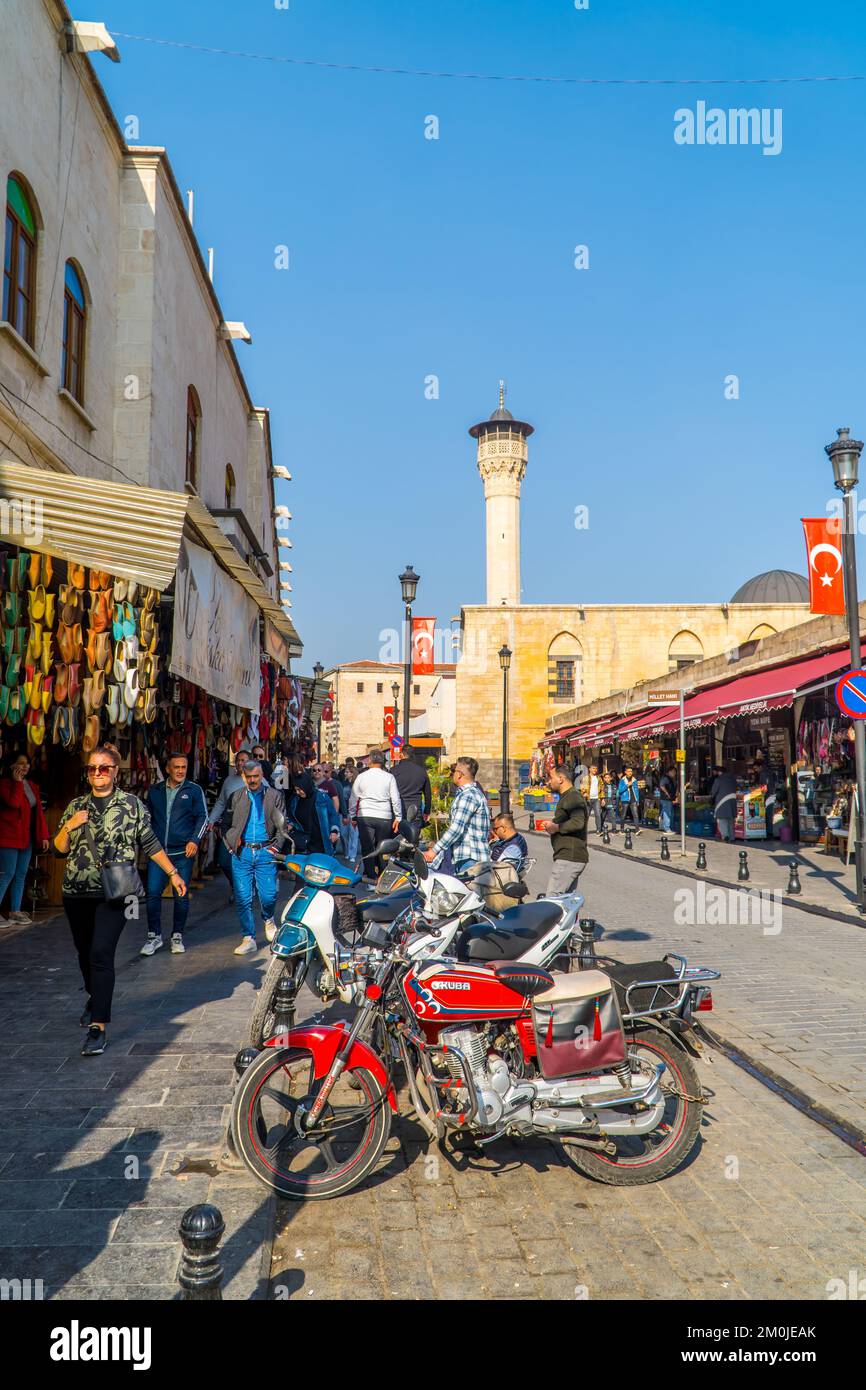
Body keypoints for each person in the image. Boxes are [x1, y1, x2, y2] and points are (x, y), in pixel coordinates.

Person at [54, 743, 187, 1056]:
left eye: (103, 768)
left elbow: (151, 843)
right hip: (76, 892)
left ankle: (98, 1026)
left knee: (101, 953)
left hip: (118, 894)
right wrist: (70, 826)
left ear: (114, 771)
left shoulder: (131, 805)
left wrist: (173, 874)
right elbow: (59, 848)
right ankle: (94, 994)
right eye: (91, 768)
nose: (97, 773)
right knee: (84, 952)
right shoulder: (76, 806)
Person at [142, 752, 209, 956]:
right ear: (168, 769)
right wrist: (147, 841)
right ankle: (154, 935)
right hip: (158, 853)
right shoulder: (155, 791)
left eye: (183, 767)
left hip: (183, 852)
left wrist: (194, 840)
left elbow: (203, 818)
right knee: (153, 893)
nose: (180, 771)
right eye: (176, 767)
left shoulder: (194, 790)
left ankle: (177, 934)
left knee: (181, 895)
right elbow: (146, 818)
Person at [223, 759, 288, 953]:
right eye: (249, 777)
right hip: (242, 854)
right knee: (243, 898)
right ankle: (248, 937)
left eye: (256, 776)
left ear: (262, 776)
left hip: (265, 851)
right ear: (243, 777)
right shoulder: (236, 797)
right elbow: (225, 824)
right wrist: (231, 845)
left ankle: (268, 919)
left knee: (268, 895)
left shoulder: (274, 796)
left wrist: (275, 847)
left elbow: (282, 825)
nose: (252, 780)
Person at [0, 752, 49, 925]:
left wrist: (44, 835)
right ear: (11, 766)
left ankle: (15, 911)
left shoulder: (32, 785)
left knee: (21, 874)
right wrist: (17, 782)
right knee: (7, 873)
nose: (25, 766)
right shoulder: (4, 784)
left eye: (27, 763)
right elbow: (13, 803)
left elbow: (39, 814)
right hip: (8, 836)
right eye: (20, 763)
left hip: (27, 837)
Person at [424, 756, 491, 875]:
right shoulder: (471, 793)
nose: (453, 774)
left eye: (454, 771)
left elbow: (456, 829)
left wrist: (434, 851)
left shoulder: (468, 796)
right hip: (469, 856)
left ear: (459, 774)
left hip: (470, 857)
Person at [349, 750, 402, 876]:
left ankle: (371, 876)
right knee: (383, 847)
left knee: (367, 847)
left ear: (370, 761)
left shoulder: (362, 777)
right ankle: (382, 875)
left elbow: (353, 798)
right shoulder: (389, 777)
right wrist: (398, 817)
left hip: (365, 814)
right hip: (384, 816)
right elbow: (395, 798)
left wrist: (352, 815)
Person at [539, 765, 589, 895]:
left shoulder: (573, 796)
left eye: (550, 777)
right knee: (565, 902)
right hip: (568, 856)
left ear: (561, 778)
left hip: (569, 857)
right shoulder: (567, 796)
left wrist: (556, 827)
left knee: (552, 899)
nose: (548, 781)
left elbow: (578, 822)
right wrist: (552, 825)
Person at [210, 749, 251, 894]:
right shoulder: (229, 780)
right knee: (224, 861)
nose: (240, 763)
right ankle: (237, 886)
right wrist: (211, 820)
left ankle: (245, 888)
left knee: (245, 862)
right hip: (230, 828)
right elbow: (221, 802)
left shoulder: (257, 779)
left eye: (244, 760)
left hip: (249, 829)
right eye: (238, 760)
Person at [391, 746, 432, 838]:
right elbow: (428, 794)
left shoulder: (393, 771)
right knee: (413, 840)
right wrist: (427, 811)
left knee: (397, 840)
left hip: (398, 810)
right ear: (413, 756)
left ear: (401, 755)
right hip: (415, 809)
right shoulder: (421, 771)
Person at [710, 765, 738, 843]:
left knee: (722, 820)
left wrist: (711, 797)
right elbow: (737, 788)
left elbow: (714, 791)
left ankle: (725, 836)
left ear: (719, 772)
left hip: (721, 802)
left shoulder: (718, 779)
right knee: (731, 820)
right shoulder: (733, 779)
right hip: (732, 801)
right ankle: (732, 837)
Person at [617, 766, 642, 834]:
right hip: (625, 799)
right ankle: (621, 829)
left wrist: (637, 800)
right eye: (628, 771)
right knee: (623, 815)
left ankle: (637, 830)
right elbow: (620, 790)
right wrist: (627, 785)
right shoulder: (622, 780)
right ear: (625, 772)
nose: (630, 773)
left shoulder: (634, 780)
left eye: (631, 771)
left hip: (633, 799)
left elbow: (637, 791)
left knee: (635, 814)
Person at [658, 766, 677, 833]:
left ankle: (666, 827)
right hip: (666, 799)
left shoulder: (671, 779)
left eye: (675, 772)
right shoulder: (666, 778)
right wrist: (667, 794)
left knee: (668, 812)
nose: (674, 773)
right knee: (667, 813)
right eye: (673, 772)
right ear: (669, 772)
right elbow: (661, 785)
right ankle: (667, 828)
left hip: (669, 799)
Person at [584, 764, 602, 833]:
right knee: (586, 816)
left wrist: (602, 798)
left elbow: (602, 788)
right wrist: (584, 793)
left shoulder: (599, 778)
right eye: (593, 768)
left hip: (596, 799)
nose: (595, 770)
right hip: (588, 799)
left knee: (598, 815)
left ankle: (599, 830)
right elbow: (583, 787)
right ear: (590, 769)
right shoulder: (586, 778)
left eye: (596, 769)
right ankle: (584, 830)